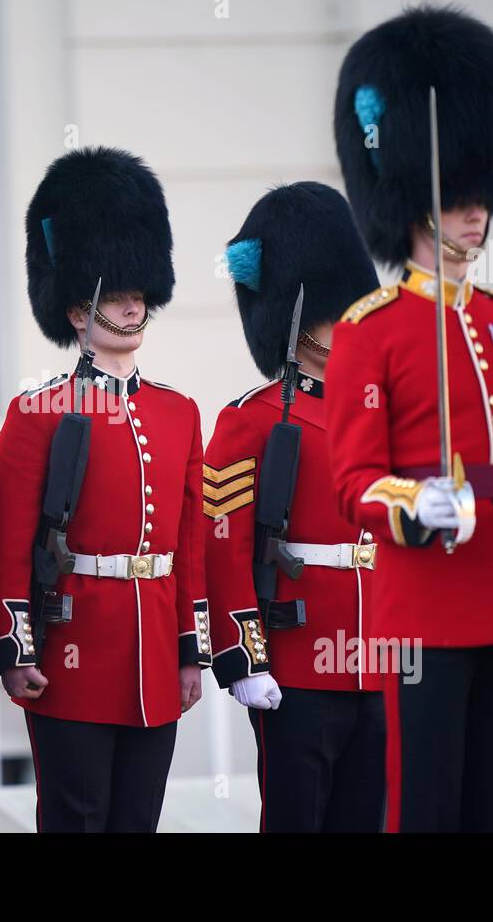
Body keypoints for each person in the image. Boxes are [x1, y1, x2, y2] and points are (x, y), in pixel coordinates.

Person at [328, 5, 493, 832]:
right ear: (413, 199)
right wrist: (414, 504)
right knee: (427, 810)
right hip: (429, 609)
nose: (476, 211)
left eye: (483, 195)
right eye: (457, 194)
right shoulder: (370, 333)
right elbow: (354, 483)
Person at [0, 147, 208, 833]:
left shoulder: (178, 412)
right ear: (79, 314)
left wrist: (188, 649)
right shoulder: (37, 412)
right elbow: (9, 545)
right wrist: (16, 650)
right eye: (116, 295)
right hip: (72, 655)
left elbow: (189, 543)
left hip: (152, 660)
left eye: (138, 292)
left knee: (137, 821)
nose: (133, 303)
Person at [204, 182, 385, 831]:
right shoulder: (249, 423)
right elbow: (223, 550)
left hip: (380, 661)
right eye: (338, 312)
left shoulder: (380, 413)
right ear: (301, 324)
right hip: (299, 665)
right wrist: (246, 659)